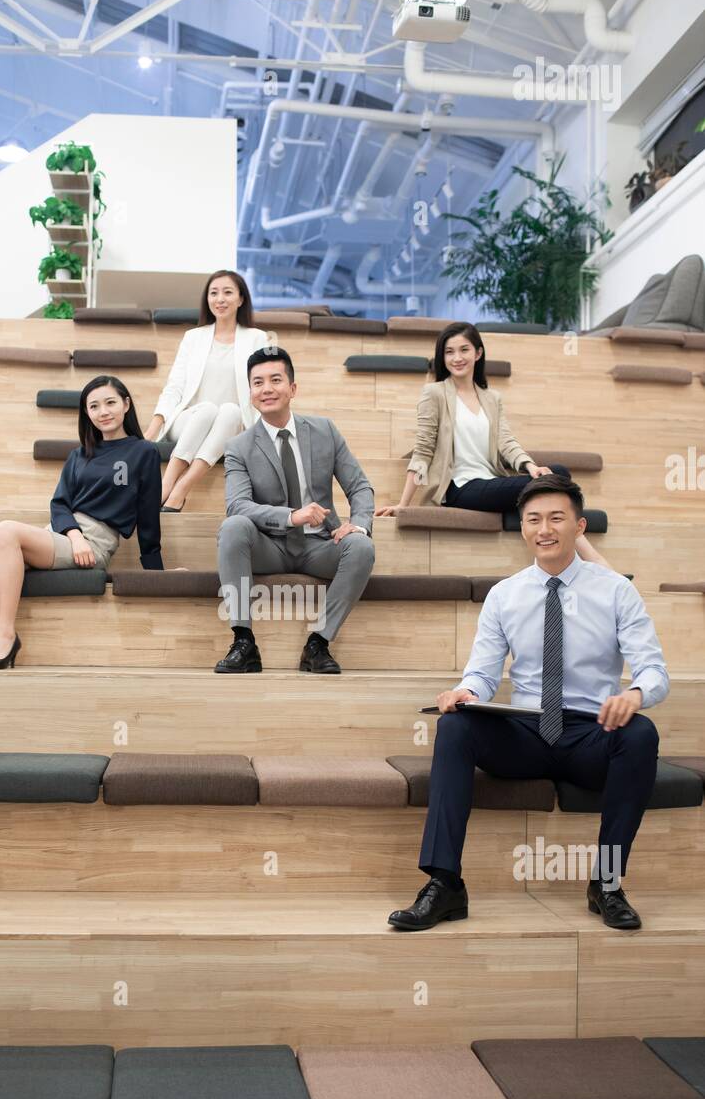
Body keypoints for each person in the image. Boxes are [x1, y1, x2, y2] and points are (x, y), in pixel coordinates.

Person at [388, 474, 669, 933]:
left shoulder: (617, 591)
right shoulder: (505, 595)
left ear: (579, 527)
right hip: (528, 730)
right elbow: (482, 671)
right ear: (522, 529)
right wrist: (466, 692)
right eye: (533, 519)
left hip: (590, 732)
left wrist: (634, 696)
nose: (544, 529)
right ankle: (445, 884)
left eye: (556, 518)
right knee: (456, 727)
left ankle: (607, 883)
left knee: (641, 734)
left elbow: (654, 671)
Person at [0, 375, 162, 671]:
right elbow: (59, 504)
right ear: (86, 413)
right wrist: (73, 535)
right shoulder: (80, 455)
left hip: (94, 543)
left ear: (126, 404)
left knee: (5, 531)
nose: (103, 411)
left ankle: (5, 633)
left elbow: (148, 515)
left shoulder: (144, 452)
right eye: (94, 406)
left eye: (110, 402)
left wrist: (157, 573)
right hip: (63, 536)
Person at [376, 321, 609, 566]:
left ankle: (573, 554)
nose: (457, 358)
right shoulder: (434, 393)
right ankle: (590, 557)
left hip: (489, 481)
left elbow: (506, 443)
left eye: (464, 350)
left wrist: (531, 467)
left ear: (478, 353)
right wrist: (403, 504)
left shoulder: (491, 398)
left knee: (557, 472)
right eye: (449, 351)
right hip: (458, 488)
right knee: (554, 482)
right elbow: (423, 449)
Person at [215, 346, 375, 675]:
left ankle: (318, 644)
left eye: (276, 379)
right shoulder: (239, 447)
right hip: (269, 545)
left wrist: (358, 524)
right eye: (258, 382)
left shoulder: (324, 431)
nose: (267, 388)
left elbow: (360, 486)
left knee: (362, 546)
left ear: (293, 388)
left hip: (320, 545)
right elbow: (238, 504)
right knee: (233, 527)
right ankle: (243, 641)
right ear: (251, 393)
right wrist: (290, 516)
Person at [144, 269, 270, 512]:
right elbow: (175, 387)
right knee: (208, 409)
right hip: (191, 420)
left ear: (241, 299)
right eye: (214, 293)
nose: (220, 299)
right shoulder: (193, 337)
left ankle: (181, 489)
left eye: (227, 292)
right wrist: (152, 428)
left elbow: (263, 388)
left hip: (233, 423)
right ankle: (166, 484)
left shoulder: (258, 339)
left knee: (231, 410)